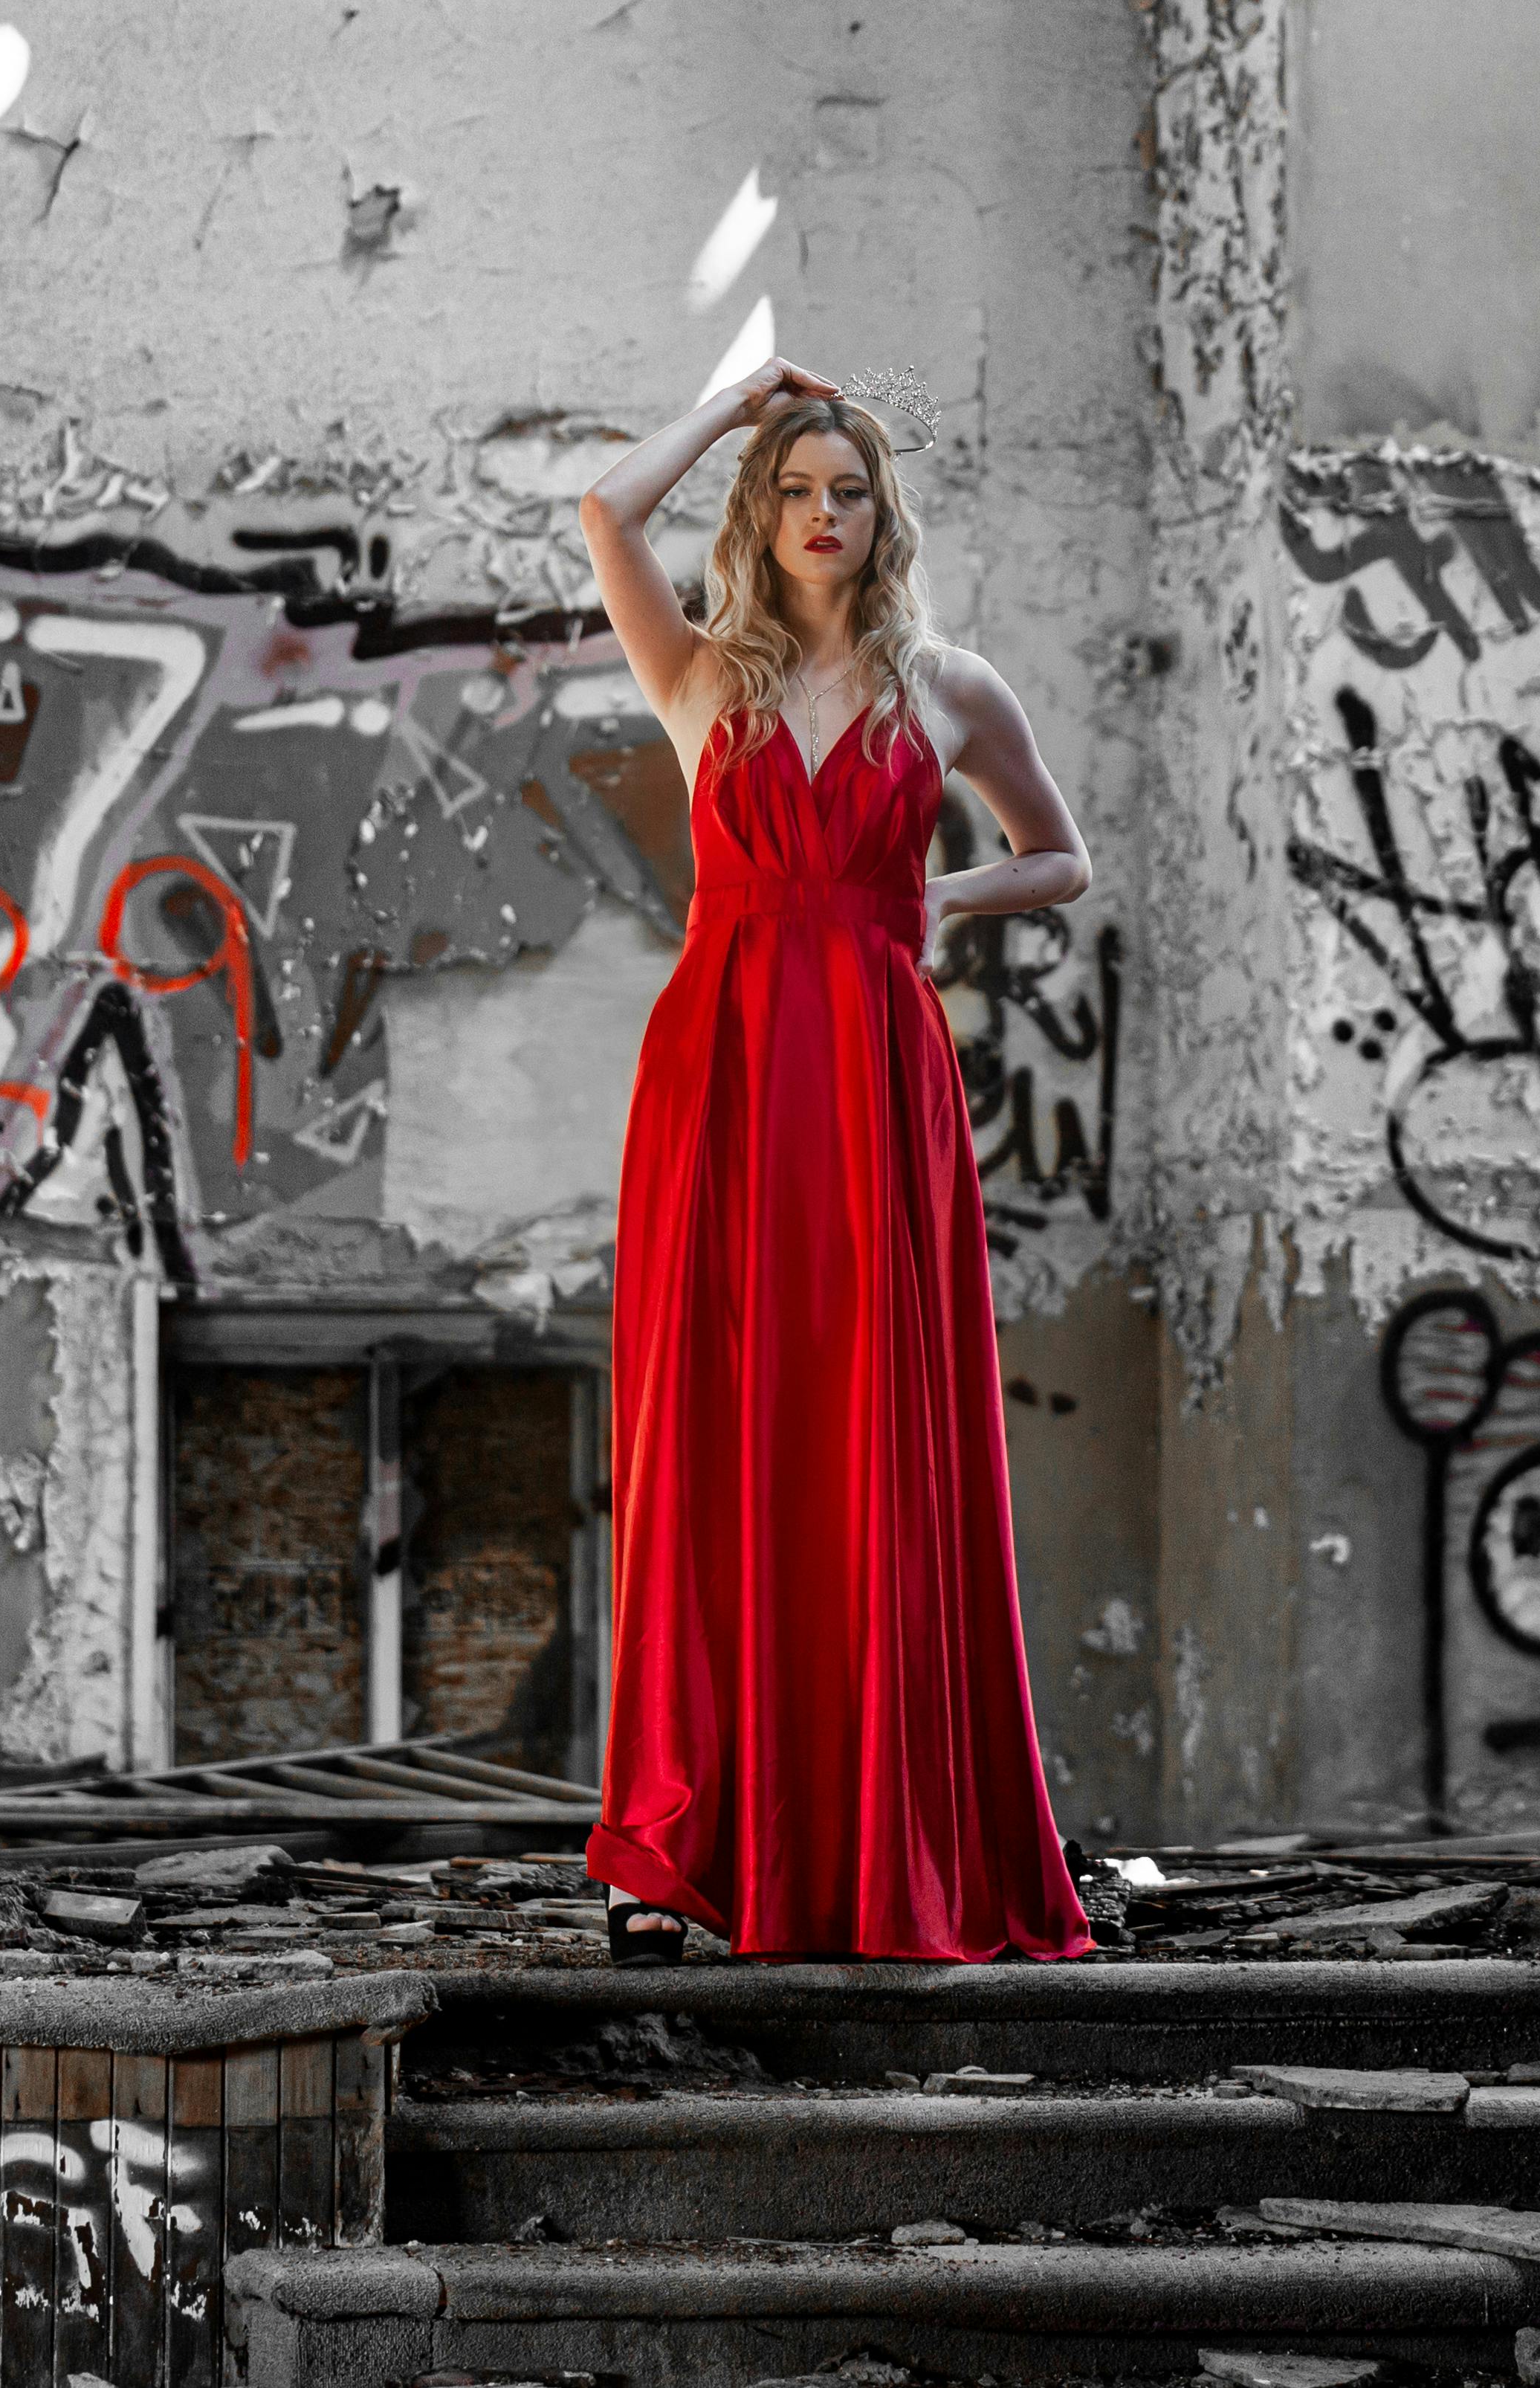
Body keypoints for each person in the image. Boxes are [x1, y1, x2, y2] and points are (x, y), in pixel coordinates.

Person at [572, 357, 1095, 1964]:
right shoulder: (700, 678)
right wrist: (734, 402)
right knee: (705, 1439)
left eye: (846, 491)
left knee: (876, 1436)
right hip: (717, 1079)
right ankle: (672, 1846)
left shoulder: (948, 687)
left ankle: (886, 1838)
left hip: (876, 1074)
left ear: (882, 518)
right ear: (759, 509)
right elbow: (600, 508)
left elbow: (1060, 855)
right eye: (793, 489)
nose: (820, 513)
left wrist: (945, 907)